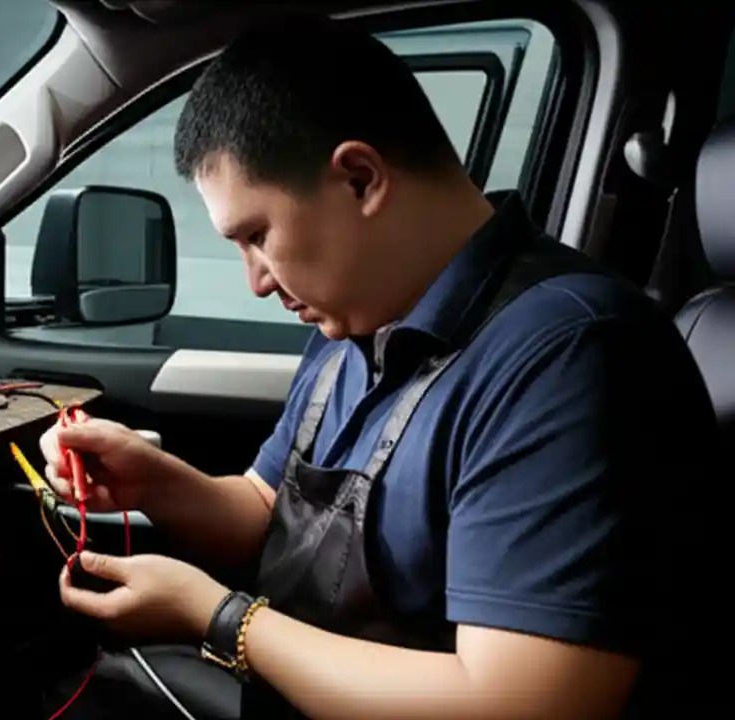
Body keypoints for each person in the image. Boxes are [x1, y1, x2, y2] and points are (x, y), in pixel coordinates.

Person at [37, 14, 719, 720]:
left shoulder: (569, 356)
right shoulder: (355, 317)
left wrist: (221, 619)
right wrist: (155, 482)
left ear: (360, 178)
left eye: (257, 236)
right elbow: (278, 515)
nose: (257, 282)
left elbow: (520, 702)